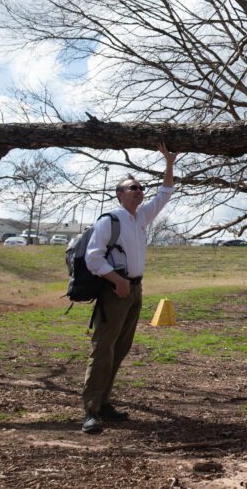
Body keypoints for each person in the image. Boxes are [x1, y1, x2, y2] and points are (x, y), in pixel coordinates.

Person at [81, 143, 178, 434]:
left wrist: (169, 164)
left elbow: (166, 193)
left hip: (135, 290)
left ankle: (105, 403)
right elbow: (93, 257)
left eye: (140, 187)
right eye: (132, 187)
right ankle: (91, 410)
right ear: (120, 194)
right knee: (103, 350)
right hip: (115, 291)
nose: (139, 190)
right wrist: (118, 281)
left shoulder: (140, 217)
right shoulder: (110, 219)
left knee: (120, 349)